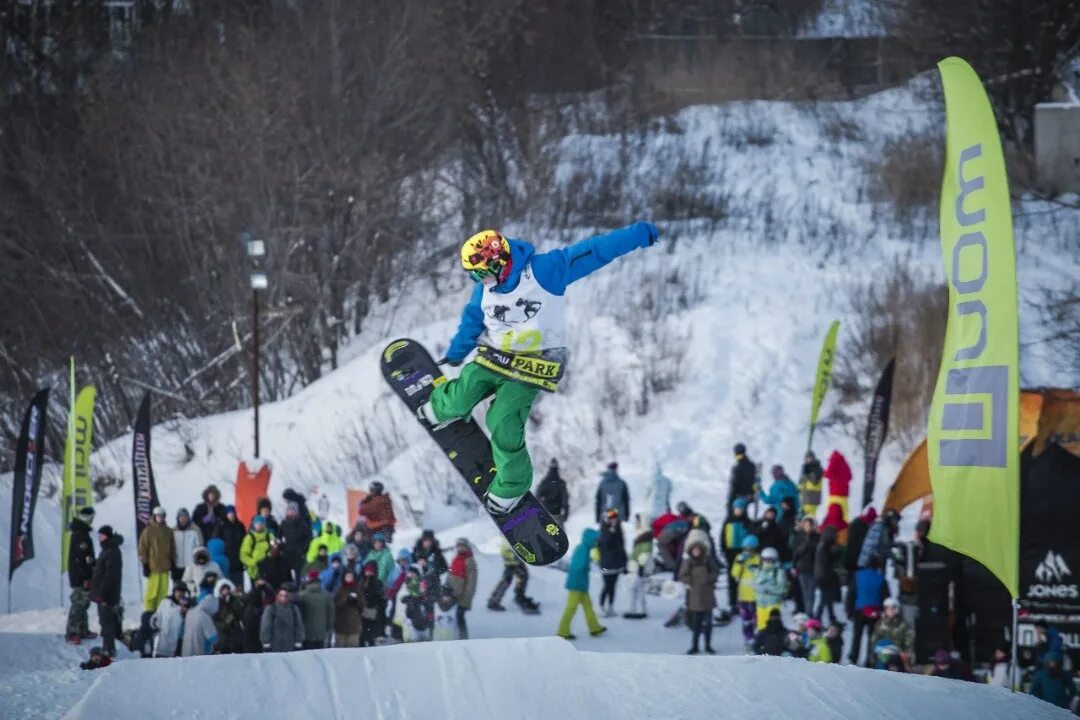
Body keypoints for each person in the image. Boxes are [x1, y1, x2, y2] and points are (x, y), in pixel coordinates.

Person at [417, 222, 659, 515]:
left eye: (481, 273)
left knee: (503, 419)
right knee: (466, 388)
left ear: (500, 263)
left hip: (535, 363)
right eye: (473, 275)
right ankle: (442, 407)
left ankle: (512, 485)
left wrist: (637, 235)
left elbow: (594, 251)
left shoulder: (545, 271)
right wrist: (457, 352)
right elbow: (472, 319)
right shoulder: (484, 290)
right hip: (497, 355)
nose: (479, 281)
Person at [557, 528, 607, 640]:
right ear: (590, 539)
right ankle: (562, 631)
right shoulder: (582, 549)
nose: (596, 542)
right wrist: (587, 566)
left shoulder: (585, 548)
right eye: (595, 540)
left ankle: (594, 628)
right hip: (576, 584)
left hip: (581, 584)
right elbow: (577, 566)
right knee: (571, 608)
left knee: (588, 607)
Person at [678, 541, 719, 655]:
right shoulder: (688, 562)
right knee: (696, 624)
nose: (696, 552)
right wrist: (691, 581)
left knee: (709, 624)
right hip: (694, 597)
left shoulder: (707, 560)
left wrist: (708, 579)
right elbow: (682, 575)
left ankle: (708, 645)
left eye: (698, 550)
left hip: (707, 595)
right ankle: (694, 646)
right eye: (694, 550)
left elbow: (715, 571)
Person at [90, 525, 123, 657]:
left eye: (102, 535)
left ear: (108, 536)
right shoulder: (107, 549)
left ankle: (109, 648)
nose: (100, 538)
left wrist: (101, 593)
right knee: (104, 621)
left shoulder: (112, 551)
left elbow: (110, 576)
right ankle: (108, 647)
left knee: (107, 622)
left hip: (107, 595)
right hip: (104, 593)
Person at [66, 506, 97, 644]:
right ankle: (72, 632)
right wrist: (85, 577)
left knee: (84, 603)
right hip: (80, 576)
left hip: (84, 574)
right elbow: (80, 559)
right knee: (78, 604)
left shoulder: (82, 533)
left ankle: (83, 629)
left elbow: (87, 557)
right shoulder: (80, 535)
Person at [850, 558, 887, 665]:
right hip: (875, 611)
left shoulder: (857, 575)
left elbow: (851, 593)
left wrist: (849, 610)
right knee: (872, 637)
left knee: (857, 635)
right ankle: (869, 659)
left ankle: (854, 657)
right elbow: (884, 595)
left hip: (859, 609)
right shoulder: (880, 577)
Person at [138, 506, 175, 613]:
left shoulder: (168, 531)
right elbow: (143, 548)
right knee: (152, 593)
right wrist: (145, 564)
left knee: (162, 593)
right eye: (158, 516)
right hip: (153, 567)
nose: (160, 518)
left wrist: (172, 561)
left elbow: (172, 547)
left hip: (165, 567)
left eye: (162, 516)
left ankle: (160, 613)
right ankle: (149, 613)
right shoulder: (148, 530)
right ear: (154, 516)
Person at [488, 540, 539, 614]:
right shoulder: (511, 533)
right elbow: (513, 542)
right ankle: (518, 598)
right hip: (512, 555)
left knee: (518, 578)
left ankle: (495, 600)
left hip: (512, 555)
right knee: (514, 578)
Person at [720, 498, 753, 613]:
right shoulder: (728, 521)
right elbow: (723, 536)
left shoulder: (747, 522)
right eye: (737, 509)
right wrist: (723, 549)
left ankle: (741, 599)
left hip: (742, 551)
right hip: (730, 552)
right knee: (732, 578)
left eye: (741, 509)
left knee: (742, 578)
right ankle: (733, 601)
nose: (739, 511)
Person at [844, 506, 877, 617]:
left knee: (851, 587)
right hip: (858, 561)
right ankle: (852, 609)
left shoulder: (855, 522)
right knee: (856, 587)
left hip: (850, 559)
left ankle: (849, 609)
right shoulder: (864, 527)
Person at [731, 534, 761, 647]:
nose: (749, 551)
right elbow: (734, 574)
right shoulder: (740, 558)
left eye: (751, 548)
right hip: (743, 594)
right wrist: (740, 563)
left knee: (757, 618)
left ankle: (757, 638)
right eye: (747, 548)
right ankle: (748, 638)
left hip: (756, 595)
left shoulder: (759, 559)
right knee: (746, 619)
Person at [597, 509, 627, 617]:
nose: (614, 520)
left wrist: (624, 562)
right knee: (607, 585)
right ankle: (601, 606)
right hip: (606, 563)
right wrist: (611, 531)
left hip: (616, 563)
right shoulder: (603, 531)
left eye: (615, 517)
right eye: (611, 518)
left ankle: (610, 607)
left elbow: (622, 546)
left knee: (613, 586)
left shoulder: (618, 530)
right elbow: (605, 544)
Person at [446, 538, 478, 639]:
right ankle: (450, 635)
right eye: (458, 546)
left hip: (463, 596)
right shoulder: (456, 559)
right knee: (449, 614)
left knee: (459, 616)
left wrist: (466, 600)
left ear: (467, 547)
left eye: (462, 546)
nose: (460, 548)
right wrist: (446, 588)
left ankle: (463, 638)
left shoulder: (470, 561)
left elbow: (472, 583)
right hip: (452, 593)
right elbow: (450, 574)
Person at [870, 597, 914, 666]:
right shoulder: (880, 624)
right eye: (888, 608)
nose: (890, 611)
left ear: (897, 609)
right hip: (882, 653)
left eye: (892, 608)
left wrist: (908, 658)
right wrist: (872, 657)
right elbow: (874, 641)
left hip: (898, 655)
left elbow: (909, 644)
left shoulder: (904, 625)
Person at [752, 547, 788, 630]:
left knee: (773, 625)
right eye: (765, 559)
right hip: (760, 604)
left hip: (773, 604)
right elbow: (755, 585)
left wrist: (767, 588)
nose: (767, 562)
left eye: (769, 559)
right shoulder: (759, 570)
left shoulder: (779, 571)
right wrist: (764, 587)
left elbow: (781, 587)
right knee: (761, 626)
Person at [261, 587, 305, 652]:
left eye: (285, 595)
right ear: (277, 596)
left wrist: (299, 641)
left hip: (290, 645)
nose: (283, 598)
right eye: (281, 595)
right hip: (274, 645)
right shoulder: (271, 608)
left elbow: (299, 625)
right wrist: (266, 643)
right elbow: (266, 626)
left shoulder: (294, 609)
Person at [298, 570, 335, 650]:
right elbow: (331, 614)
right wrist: (328, 628)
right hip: (321, 634)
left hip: (306, 633)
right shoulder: (327, 595)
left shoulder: (302, 595)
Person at [792, 516, 819, 622]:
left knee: (810, 594)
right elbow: (794, 551)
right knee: (804, 593)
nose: (807, 527)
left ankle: (809, 616)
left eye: (809, 525)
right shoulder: (800, 536)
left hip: (813, 569)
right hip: (801, 568)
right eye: (805, 524)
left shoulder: (817, 538)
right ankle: (808, 615)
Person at [813, 524, 842, 623]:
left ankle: (831, 618)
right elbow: (827, 561)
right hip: (824, 576)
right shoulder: (825, 545)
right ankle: (817, 619)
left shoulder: (822, 544)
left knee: (827, 598)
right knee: (824, 598)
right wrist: (837, 553)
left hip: (821, 575)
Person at [151, 584, 189, 658]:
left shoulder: (185, 607)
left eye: (183, 592)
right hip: (161, 645)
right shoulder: (165, 602)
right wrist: (154, 622)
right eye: (178, 592)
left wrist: (184, 614)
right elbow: (157, 616)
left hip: (175, 648)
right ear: (174, 592)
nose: (180, 594)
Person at [399, 566, 436, 642]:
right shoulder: (408, 581)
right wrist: (408, 597)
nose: (411, 574)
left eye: (413, 573)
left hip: (420, 601)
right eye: (410, 573)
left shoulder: (420, 580)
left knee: (422, 614)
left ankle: (426, 632)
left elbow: (422, 591)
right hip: (414, 601)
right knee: (409, 614)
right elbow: (409, 592)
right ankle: (410, 633)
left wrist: (420, 597)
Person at [214, 505, 247, 588]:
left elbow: (245, 540)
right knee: (226, 583)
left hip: (238, 558)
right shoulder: (221, 525)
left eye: (233, 513)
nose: (231, 515)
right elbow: (217, 542)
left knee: (238, 583)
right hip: (226, 557)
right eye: (229, 514)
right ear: (226, 514)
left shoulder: (240, 525)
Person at [624, 523, 653, 619]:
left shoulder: (645, 543)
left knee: (634, 589)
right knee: (638, 590)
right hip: (635, 568)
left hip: (638, 569)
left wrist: (641, 566)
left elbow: (644, 555)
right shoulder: (642, 542)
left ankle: (636, 609)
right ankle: (638, 609)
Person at [280, 501, 313, 582]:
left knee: (299, 576)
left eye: (293, 510)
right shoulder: (284, 523)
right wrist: (282, 547)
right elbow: (278, 537)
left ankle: (299, 591)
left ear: (296, 511)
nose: (291, 512)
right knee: (286, 575)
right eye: (289, 510)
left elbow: (308, 538)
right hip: (287, 554)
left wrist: (302, 548)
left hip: (299, 555)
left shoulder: (302, 523)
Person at [181, 592, 219, 657]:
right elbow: (213, 638)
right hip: (199, 654)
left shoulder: (190, 612)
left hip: (185, 653)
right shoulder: (204, 616)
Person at [213, 579, 245, 654]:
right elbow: (215, 618)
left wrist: (234, 600)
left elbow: (239, 613)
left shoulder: (235, 600)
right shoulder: (217, 602)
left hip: (235, 634)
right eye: (224, 590)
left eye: (227, 589)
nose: (226, 591)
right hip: (223, 634)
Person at [359, 561, 387, 646]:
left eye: (370, 571)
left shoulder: (377, 582)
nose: (368, 573)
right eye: (367, 571)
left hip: (373, 610)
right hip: (362, 609)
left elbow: (380, 598)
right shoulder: (361, 581)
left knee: (370, 632)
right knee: (362, 632)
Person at [240, 514, 274, 582]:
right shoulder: (249, 537)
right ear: (254, 525)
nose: (259, 526)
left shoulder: (269, 535)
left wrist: (271, 554)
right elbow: (243, 555)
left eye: (261, 523)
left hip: (269, 569)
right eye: (257, 524)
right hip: (254, 571)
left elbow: (274, 547)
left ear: (264, 524)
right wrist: (253, 562)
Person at [334, 570, 364, 647]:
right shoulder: (339, 590)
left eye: (351, 576)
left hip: (354, 626)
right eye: (347, 576)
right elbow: (336, 605)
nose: (349, 578)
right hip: (341, 626)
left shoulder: (358, 589)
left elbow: (362, 605)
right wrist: (346, 599)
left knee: (352, 652)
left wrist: (357, 600)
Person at [242, 579, 273, 653]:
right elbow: (249, 599)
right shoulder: (250, 594)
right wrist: (256, 588)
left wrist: (265, 587)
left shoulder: (267, 591)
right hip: (252, 620)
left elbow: (271, 597)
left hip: (262, 618)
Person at [172, 508, 200, 585]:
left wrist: (198, 562)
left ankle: (193, 596)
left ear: (188, 518)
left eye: (185, 516)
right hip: (177, 566)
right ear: (177, 518)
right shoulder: (173, 531)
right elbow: (170, 548)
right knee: (177, 588)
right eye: (181, 517)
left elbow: (200, 547)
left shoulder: (195, 530)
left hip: (191, 566)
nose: (183, 519)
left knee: (192, 588)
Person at [822, 451, 852, 522]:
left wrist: (823, 472)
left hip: (834, 494)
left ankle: (833, 531)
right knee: (845, 515)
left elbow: (828, 473)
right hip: (844, 495)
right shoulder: (845, 463)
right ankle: (845, 530)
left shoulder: (833, 460)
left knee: (832, 516)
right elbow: (850, 476)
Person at [728, 443, 757, 513]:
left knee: (737, 515)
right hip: (749, 495)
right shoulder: (752, 465)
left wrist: (730, 499)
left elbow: (735, 483)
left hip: (738, 496)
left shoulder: (738, 467)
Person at [799, 451, 824, 519]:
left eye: (810, 458)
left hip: (812, 497)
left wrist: (808, 472)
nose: (809, 459)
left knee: (810, 518)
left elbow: (815, 482)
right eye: (807, 458)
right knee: (804, 518)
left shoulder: (817, 468)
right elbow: (802, 483)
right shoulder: (805, 468)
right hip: (805, 497)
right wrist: (798, 489)